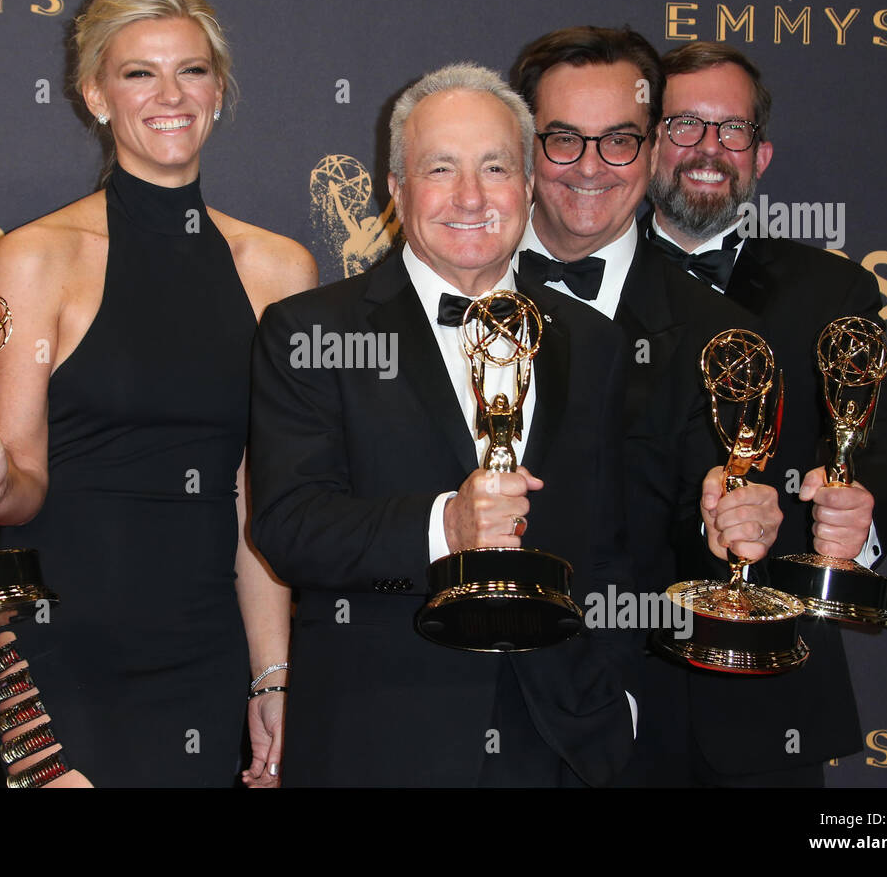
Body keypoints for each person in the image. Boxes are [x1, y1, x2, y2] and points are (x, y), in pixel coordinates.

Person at [0, 0, 317, 787]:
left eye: (193, 70)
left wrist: (270, 675)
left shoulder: (279, 270)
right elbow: (17, 490)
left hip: (205, 652)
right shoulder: (36, 257)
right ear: (96, 94)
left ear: (219, 90)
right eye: (139, 72)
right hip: (64, 651)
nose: (170, 94)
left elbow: (261, 499)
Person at [249, 62, 637, 786]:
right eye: (440, 169)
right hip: (382, 742)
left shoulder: (594, 341)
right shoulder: (309, 329)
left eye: (494, 167)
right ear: (396, 189)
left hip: (561, 743)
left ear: (526, 185)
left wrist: (617, 700)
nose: (470, 197)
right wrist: (444, 527)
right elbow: (289, 526)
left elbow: (612, 544)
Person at [645, 40, 887, 785]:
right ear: (643, 145)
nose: (709, 148)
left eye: (731, 130)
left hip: (764, 701)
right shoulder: (577, 283)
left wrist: (857, 521)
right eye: (683, 126)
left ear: (761, 156)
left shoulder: (830, 290)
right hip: (599, 690)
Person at [508, 26, 782, 786]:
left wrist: (731, 519)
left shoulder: (720, 334)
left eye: (620, 142)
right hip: (465, 710)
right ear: (524, 145)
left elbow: (707, 526)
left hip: (636, 728)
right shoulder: (449, 299)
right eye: (563, 140)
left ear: (656, 147)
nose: (591, 169)